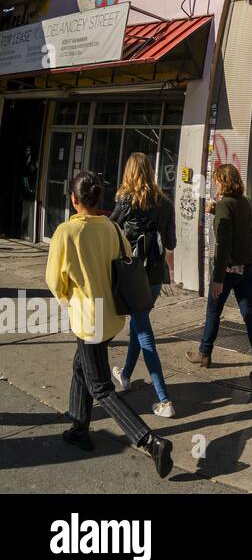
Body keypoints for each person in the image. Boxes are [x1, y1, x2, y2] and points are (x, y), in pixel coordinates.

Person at [46, 171, 173, 478]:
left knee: (101, 386)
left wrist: (68, 296)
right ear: (98, 199)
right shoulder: (113, 228)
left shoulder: (66, 232)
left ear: (74, 200)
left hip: (87, 317)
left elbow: (54, 280)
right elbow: (128, 261)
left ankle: (150, 440)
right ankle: (79, 428)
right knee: (82, 369)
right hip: (110, 316)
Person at [109, 153, 177, 418]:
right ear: (151, 171)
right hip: (155, 276)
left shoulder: (126, 199)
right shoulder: (166, 203)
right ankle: (125, 375)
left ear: (130, 172)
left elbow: (111, 228)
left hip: (132, 274)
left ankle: (164, 399)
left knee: (144, 332)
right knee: (139, 324)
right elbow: (171, 243)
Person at [187, 164, 252, 385]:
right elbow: (239, 224)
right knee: (248, 314)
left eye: (217, 180)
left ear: (223, 181)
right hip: (246, 267)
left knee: (213, 310)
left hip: (227, 269)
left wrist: (218, 278)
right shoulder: (245, 202)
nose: (215, 184)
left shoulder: (224, 206)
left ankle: (205, 353)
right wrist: (216, 209)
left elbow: (223, 246)